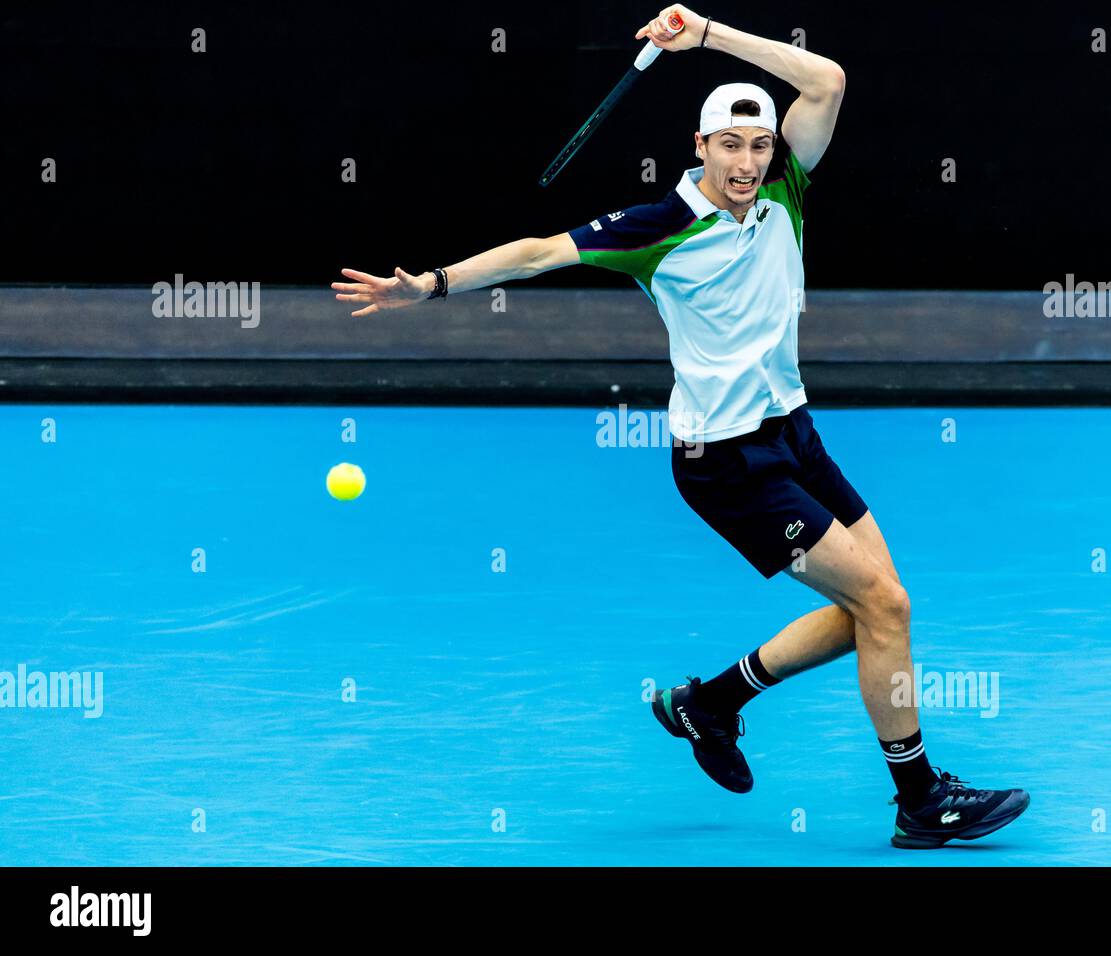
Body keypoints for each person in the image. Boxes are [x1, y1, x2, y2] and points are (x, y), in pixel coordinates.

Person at [332, 6, 1029, 850]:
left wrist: (705, 35)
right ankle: (920, 801)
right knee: (883, 603)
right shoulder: (657, 228)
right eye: (729, 145)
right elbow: (532, 252)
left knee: (878, 614)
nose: (746, 161)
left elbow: (827, 80)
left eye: (759, 144)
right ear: (698, 148)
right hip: (726, 462)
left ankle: (711, 705)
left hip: (796, 435)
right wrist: (431, 285)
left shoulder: (785, 193)